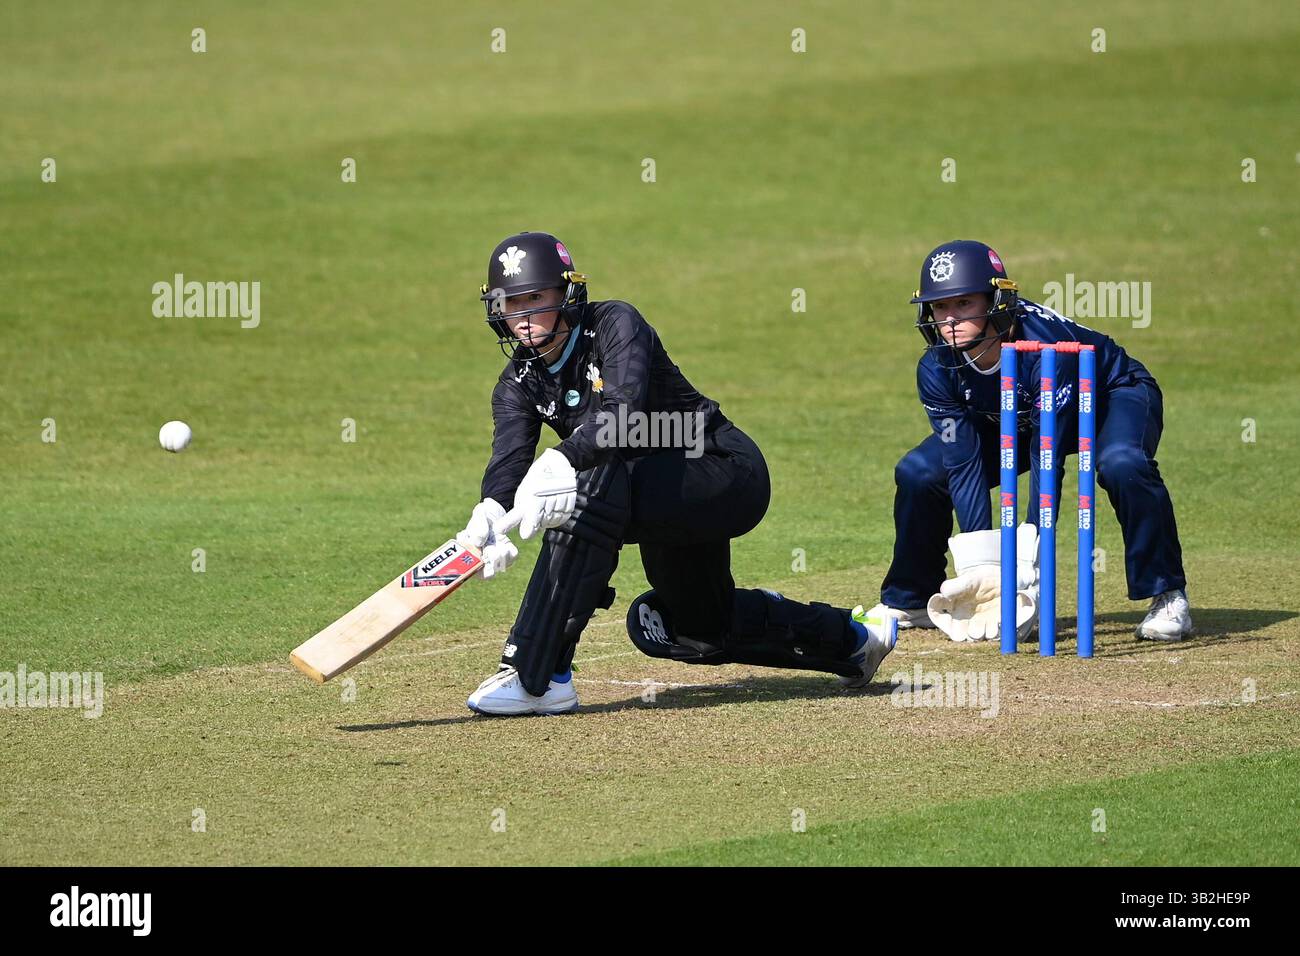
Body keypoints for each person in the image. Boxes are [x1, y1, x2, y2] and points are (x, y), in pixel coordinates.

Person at [457, 231, 898, 715]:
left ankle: (538, 675)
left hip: (721, 470)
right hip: (654, 496)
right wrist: (491, 511)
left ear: (566, 292)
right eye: (511, 303)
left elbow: (624, 416)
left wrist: (563, 460)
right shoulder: (517, 383)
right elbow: (508, 460)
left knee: (586, 489)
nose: (522, 317)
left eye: (535, 298)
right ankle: (856, 640)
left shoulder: (614, 324)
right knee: (699, 629)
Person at [867, 240, 1191, 643]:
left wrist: (1024, 569)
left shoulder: (1046, 351)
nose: (949, 319)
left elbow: (1047, 458)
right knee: (919, 472)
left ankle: (1166, 592)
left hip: (1108, 396)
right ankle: (911, 598)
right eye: (940, 307)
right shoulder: (937, 366)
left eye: (964, 304)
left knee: (1122, 464)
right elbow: (963, 464)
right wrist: (981, 569)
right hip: (1014, 415)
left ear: (996, 301)